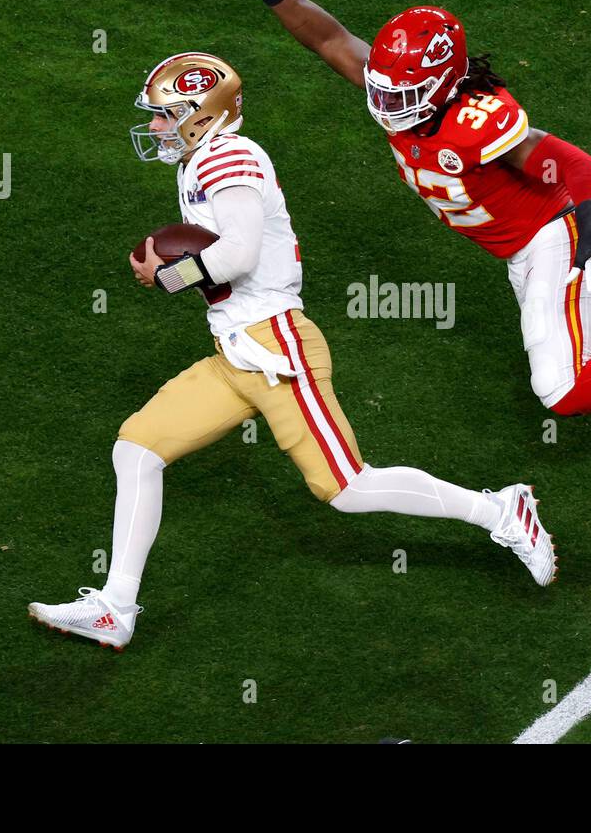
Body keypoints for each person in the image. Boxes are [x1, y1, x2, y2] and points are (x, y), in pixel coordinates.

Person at [220, 0, 591, 531]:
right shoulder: (402, 89)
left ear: (446, 82)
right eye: (382, 88)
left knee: (561, 388)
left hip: (555, 241)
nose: (386, 106)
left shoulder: (477, 120)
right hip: (523, 252)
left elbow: (574, 164)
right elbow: (331, 38)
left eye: (402, 93)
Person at [29, 52, 556, 652]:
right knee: (138, 447)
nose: (154, 128)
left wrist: (168, 277)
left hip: (277, 350)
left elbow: (238, 257)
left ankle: (502, 512)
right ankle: (115, 608)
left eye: (164, 116)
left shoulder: (230, 156)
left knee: (347, 488)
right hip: (235, 353)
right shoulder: (203, 158)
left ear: (199, 115)